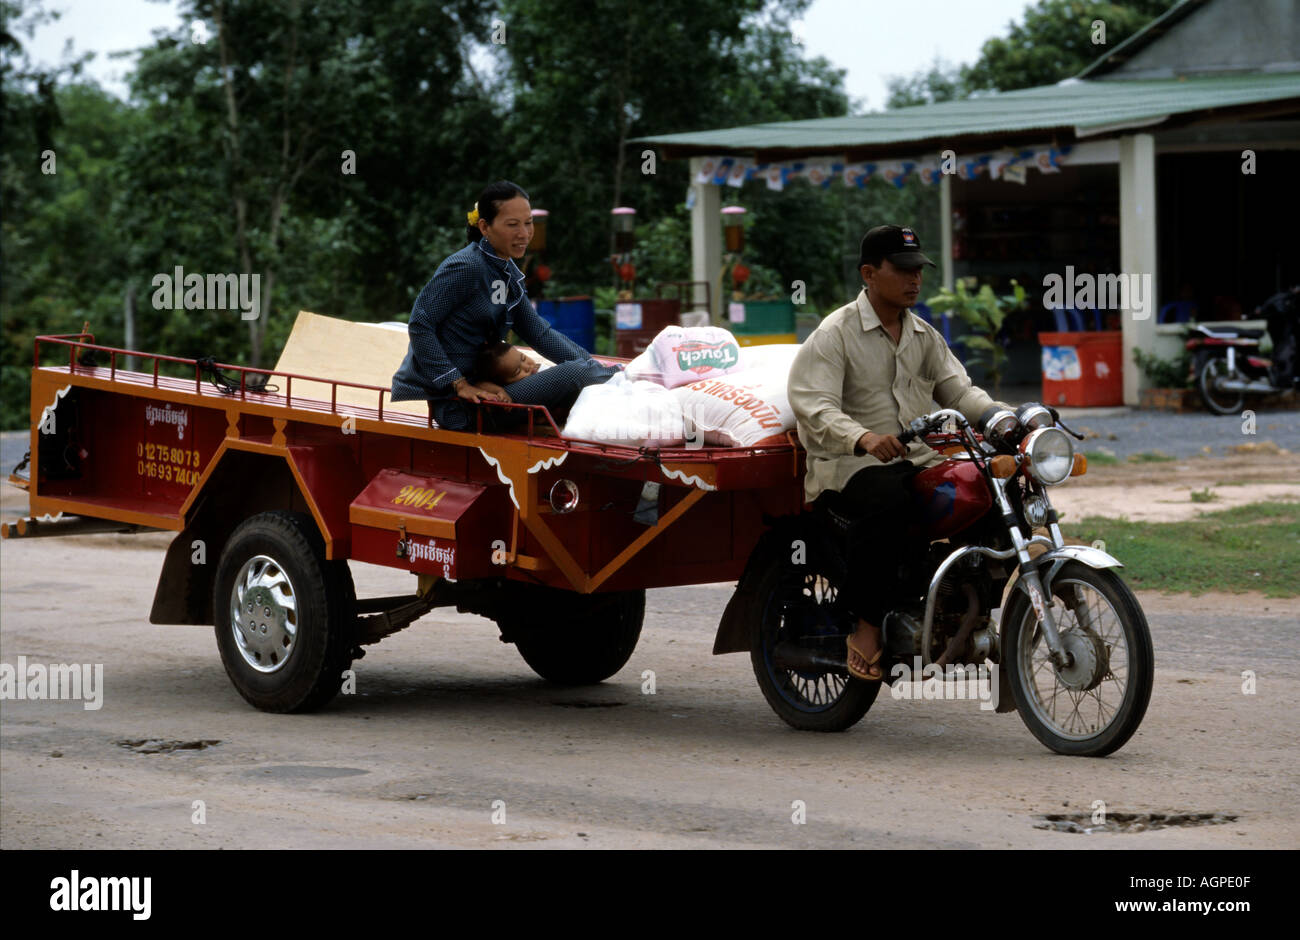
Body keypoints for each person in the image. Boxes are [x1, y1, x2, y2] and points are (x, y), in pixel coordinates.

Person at [787, 225, 1006, 681]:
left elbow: (960, 393)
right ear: (870, 273)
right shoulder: (835, 333)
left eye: (918, 270)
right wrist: (863, 437)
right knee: (893, 498)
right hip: (847, 468)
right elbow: (813, 404)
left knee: (989, 484)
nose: (915, 279)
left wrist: (1008, 419)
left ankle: (972, 607)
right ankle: (866, 626)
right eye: (903, 270)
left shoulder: (924, 335)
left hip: (914, 462)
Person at [391, 180, 618, 429]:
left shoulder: (506, 271)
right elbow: (420, 324)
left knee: (581, 373)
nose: (524, 233)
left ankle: (620, 378)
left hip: (496, 390)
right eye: (512, 225)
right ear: (485, 227)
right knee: (576, 374)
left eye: (528, 223)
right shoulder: (466, 267)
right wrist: (458, 383)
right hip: (463, 406)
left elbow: (539, 333)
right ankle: (627, 378)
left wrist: (592, 367)